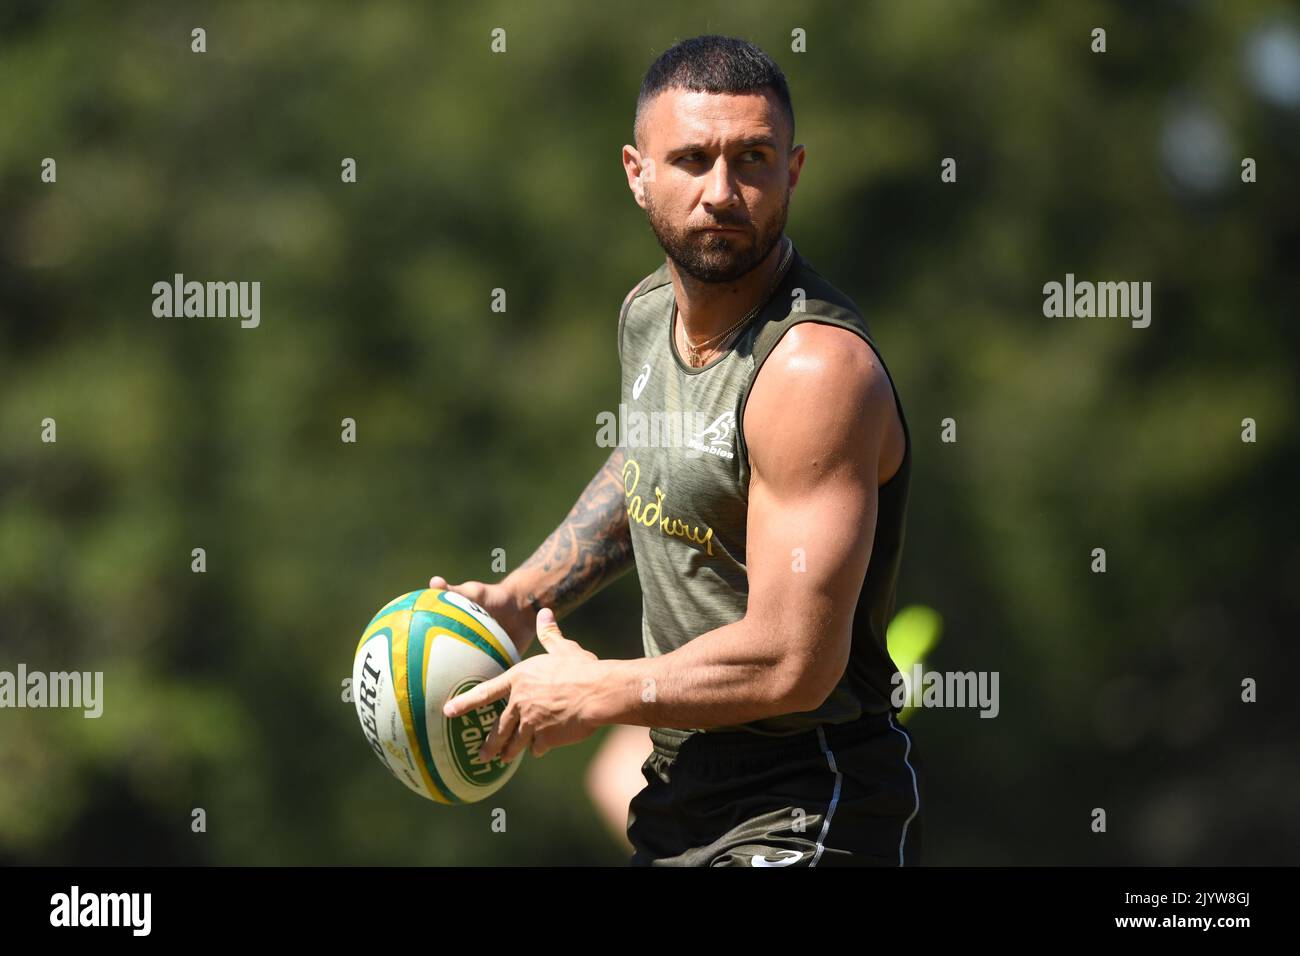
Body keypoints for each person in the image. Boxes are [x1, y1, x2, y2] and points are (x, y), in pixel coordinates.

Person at [433, 34, 921, 866]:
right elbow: (654, 467)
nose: (723, 192)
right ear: (637, 173)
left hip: (807, 801)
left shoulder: (813, 370)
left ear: (793, 172)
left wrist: (597, 690)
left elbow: (791, 662)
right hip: (677, 790)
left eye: (753, 158)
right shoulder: (646, 316)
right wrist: (519, 600)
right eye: (692, 159)